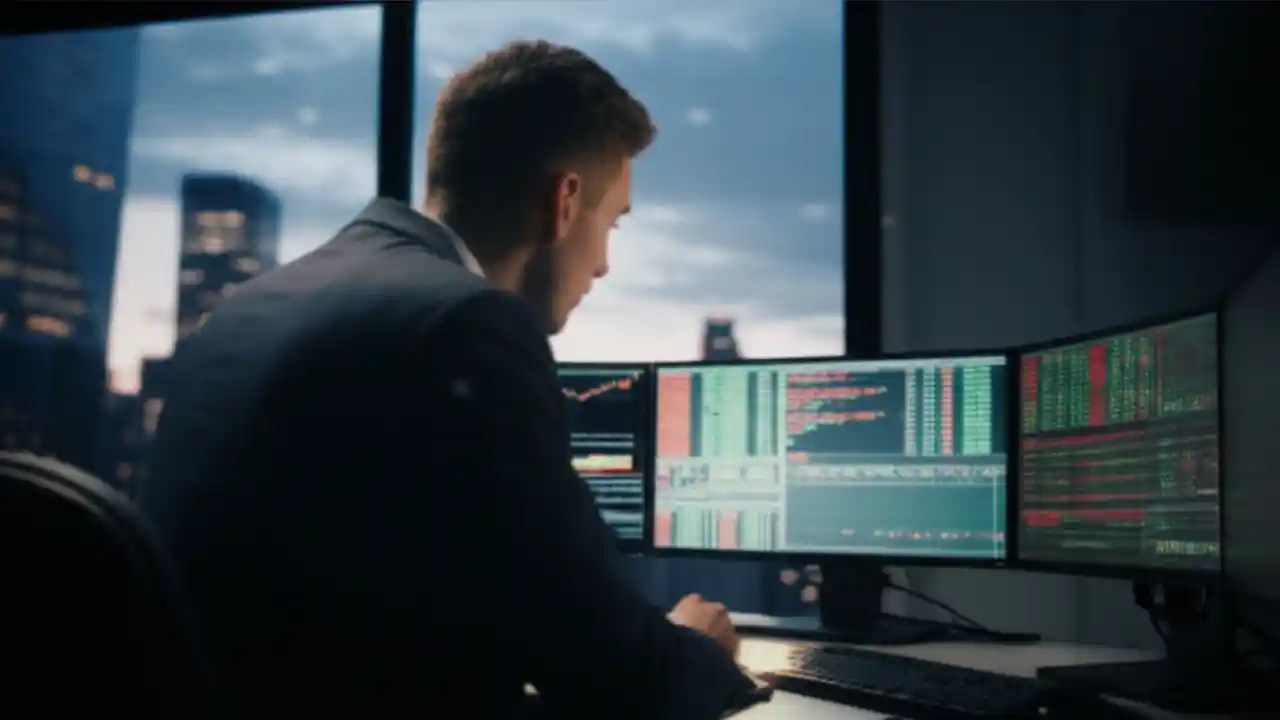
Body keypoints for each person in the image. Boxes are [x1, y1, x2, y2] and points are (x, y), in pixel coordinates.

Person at [142, 40, 755, 718]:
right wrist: (698, 648)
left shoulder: (248, 306)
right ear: (565, 201)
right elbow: (622, 680)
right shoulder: (469, 326)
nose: (606, 264)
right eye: (613, 223)